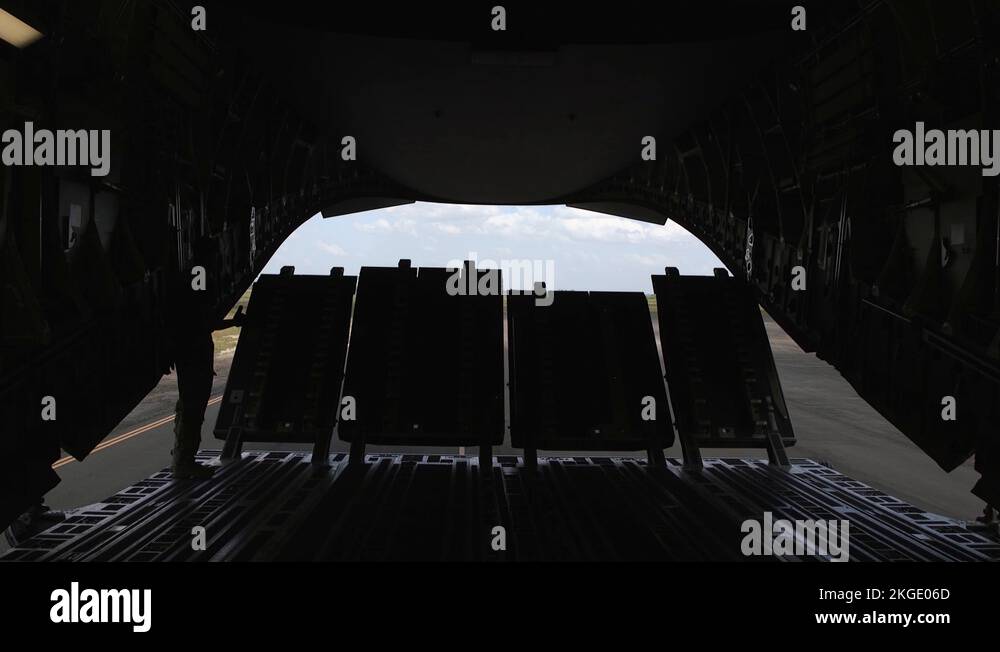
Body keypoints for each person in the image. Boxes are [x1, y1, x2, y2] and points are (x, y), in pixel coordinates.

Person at [167, 236, 243, 479]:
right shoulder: (199, 276)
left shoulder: (190, 274)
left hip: (189, 349)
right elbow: (200, 318)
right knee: (192, 409)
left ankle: (182, 459)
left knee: (188, 408)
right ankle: (184, 463)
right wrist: (232, 322)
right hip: (194, 351)